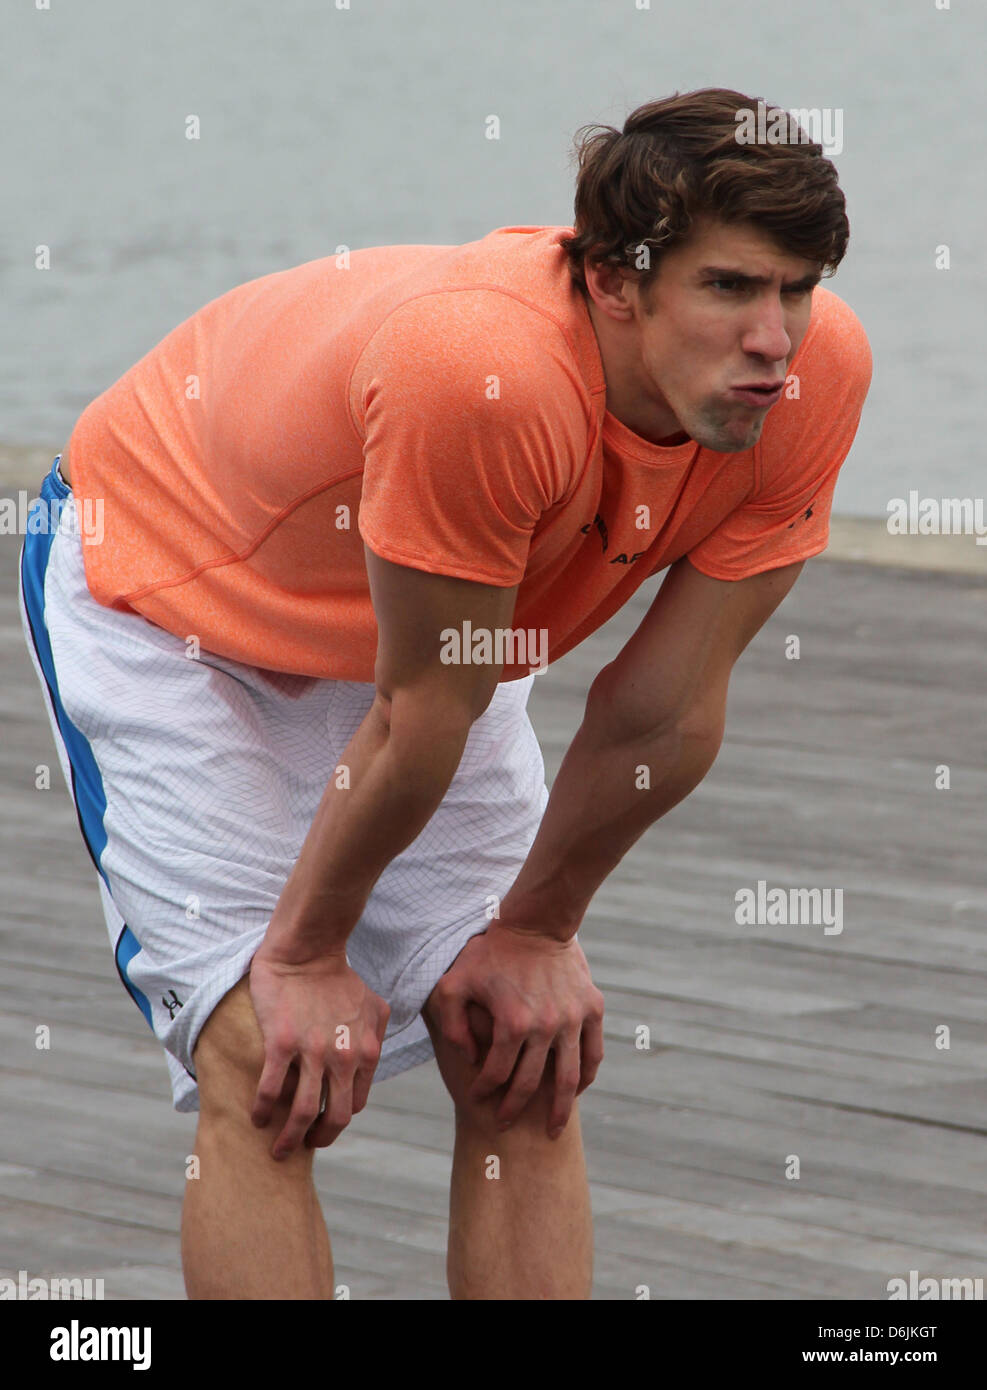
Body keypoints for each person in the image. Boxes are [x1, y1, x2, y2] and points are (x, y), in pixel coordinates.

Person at [18, 87, 872, 1300]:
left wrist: (536, 930)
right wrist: (307, 954)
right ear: (616, 285)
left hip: (419, 645)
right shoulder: (484, 371)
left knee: (519, 1044)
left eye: (798, 288)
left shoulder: (811, 382)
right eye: (729, 287)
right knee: (266, 1059)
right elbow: (428, 708)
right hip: (171, 590)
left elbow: (665, 709)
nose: (775, 339)